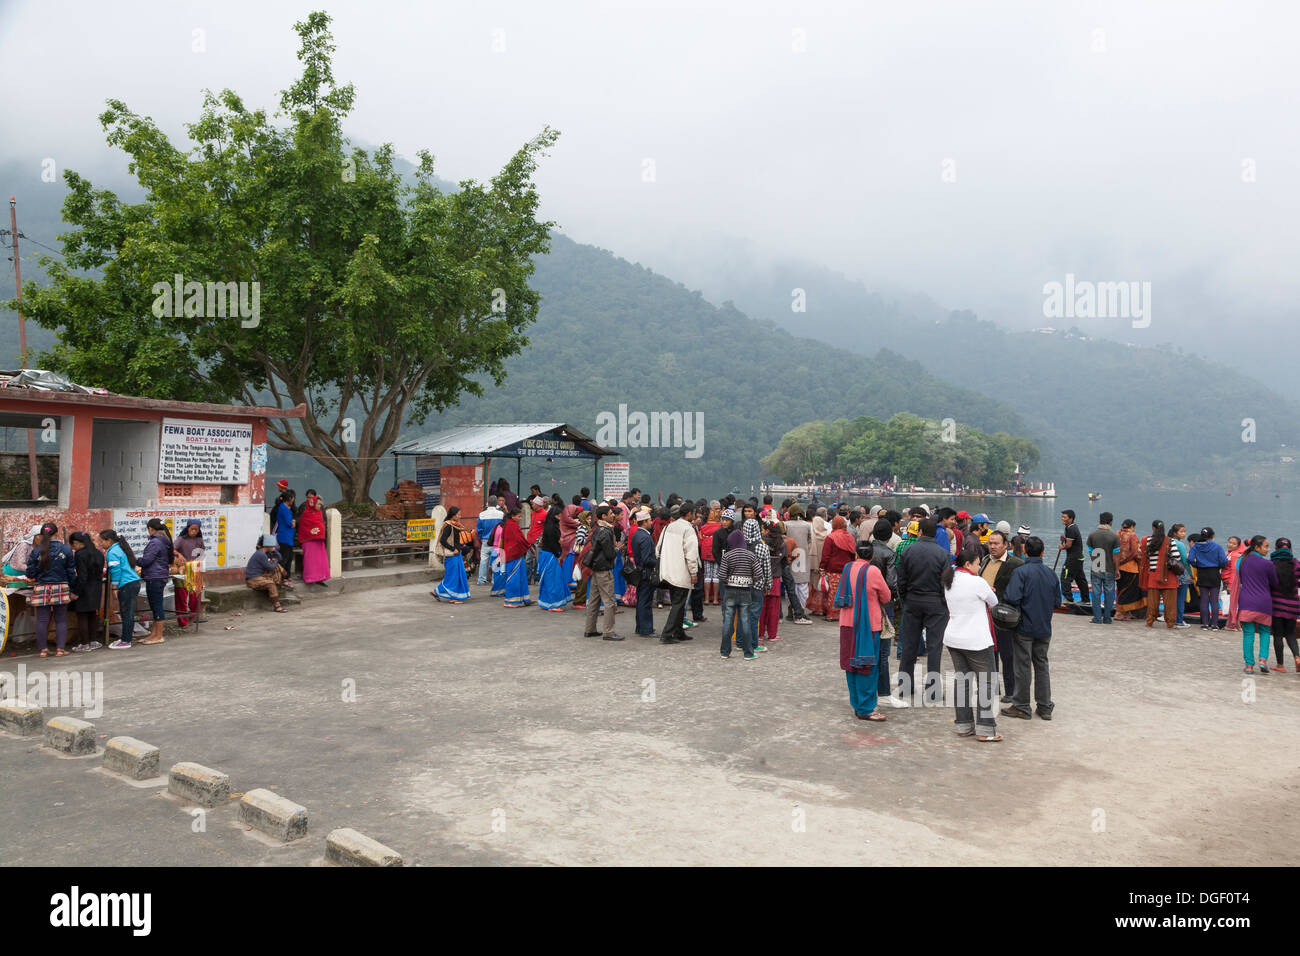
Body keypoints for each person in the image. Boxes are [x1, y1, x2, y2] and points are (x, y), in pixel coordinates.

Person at [944, 543, 1002, 741]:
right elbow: (994, 601)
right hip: (976, 640)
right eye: (978, 564)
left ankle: (964, 725)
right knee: (986, 683)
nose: (979, 568)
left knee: (963, 682)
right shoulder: (977, 582)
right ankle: (986, 730)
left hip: (954, 638)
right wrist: (987, 589)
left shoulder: (949, 581)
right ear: (968, 564)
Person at [1002, 536, 1062, 720]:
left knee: (1022, 666)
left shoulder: (1021, 572)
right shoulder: (1051, 574)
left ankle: (1021, 705)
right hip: (1044, 627)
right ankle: (1044, 706)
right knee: (1042, 665)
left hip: (1024, 627)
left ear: (1025, 551)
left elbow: (1011, 598)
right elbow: (1057, 602)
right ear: (1043, 552)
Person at [834, 539, 892, 722]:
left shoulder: (847, 568)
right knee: (867, 666)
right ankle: (866, 708)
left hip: (847, 624)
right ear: (872, 556)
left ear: (856, 554)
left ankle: (858, 705)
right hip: (868, 626)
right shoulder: (873, 571)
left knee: (851, 665)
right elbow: (886, 596)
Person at [896, 517, 950, 704]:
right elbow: (947, 583)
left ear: (919, 532)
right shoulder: (943, 554)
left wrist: (906, 599)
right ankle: (933, 690)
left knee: (909, 645)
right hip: (936, 602)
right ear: (935, 533)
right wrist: (943, 602)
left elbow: (901, 580)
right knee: (935, 647)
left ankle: (905, 686)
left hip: (913, 600)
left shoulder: (908, 550)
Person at [980, 529, 1024, 703]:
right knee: (989, 654)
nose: (992, 547)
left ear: (1006, 545)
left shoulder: (1016, 564)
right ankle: (993, 688)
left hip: (1005, 616)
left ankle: (1011, 691)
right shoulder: (984, 561)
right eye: (990, 543)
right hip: (984, 616)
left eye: (996, 543)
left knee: (1008, 655)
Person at [25, 522, 77, 658]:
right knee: (60, 620)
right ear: (57, 534)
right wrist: (73, 588)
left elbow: (30, 573)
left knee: (42, 620)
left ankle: (43, 650)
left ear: (42, 535)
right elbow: (71, 572)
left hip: (42, 586)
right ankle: (60, 649)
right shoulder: (66, 550)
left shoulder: (36, 550)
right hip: (61, 586)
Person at [656, 502, 700, 645]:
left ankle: (678, 631)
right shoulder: (688, 530)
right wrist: (693, 573)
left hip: (667, 571)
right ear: (689, 514)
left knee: (678, 603)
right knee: (678, 604)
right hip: (681, 572)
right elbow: (691, 554)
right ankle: (667, 633)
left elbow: (658, 549)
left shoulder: (669, 526)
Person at [718, 524, 762, 660]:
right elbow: (759, 574)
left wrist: (729, 581)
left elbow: (721, 575)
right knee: (745, 621)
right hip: (745, 592)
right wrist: (750, 580)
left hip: (730, 591)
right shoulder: (751, 555)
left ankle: (725, 652)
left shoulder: (727, 556)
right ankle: (748, 653)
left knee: (728, 621)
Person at [1237, 535, 1277, 674]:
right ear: (1257, 547)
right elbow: (1274, 583)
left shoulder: (1242, 562)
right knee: (1265, 632)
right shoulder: (1268, 564)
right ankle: (1262, 660)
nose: (1268, 549)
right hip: (1264, 603)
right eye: (1266, 546)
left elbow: (1241, 579)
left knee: (1248, 634)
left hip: (1246, 602)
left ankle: (1249, 666)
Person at [582, 505, 621, 640]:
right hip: (604, 570)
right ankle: (608, 632)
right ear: (604, 516)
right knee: (609, 601)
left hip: (596, 569)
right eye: (610, 513)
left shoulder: (597, 529)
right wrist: (617, 549)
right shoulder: (606, 531)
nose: (613, 515)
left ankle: (590, 629)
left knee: (594, 601)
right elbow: (609, 554)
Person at [98, 529, 141, 648]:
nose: (101, 544)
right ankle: (125, 638)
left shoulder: (113, 552)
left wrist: (114, 588)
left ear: (109, 540)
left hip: (126, 584)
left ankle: (126, 641)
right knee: (128, 613)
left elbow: (115, 571)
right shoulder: (120, 548)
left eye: (102, 541)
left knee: (127, 614)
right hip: (133, 582)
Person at [136, 518, 174, 645]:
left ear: (151, 529)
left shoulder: (155, 542)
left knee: (157, 606)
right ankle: (153, 634)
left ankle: (159, 635)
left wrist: (134, 560)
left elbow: (146, 561)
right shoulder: (162, 541)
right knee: (154, 606)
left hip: (155, 577)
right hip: (157, 576)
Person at [813, 516, 856, 621]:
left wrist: (822, 568)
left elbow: (826, 555)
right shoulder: (850, 537)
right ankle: (844, 614)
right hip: (846, 570)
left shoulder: (831, 537)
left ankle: (831, 614)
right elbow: (853, 555)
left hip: (832, 570)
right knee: (844, 592)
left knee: (832, 593)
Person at [68, 532, 105, 652]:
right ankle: (93, 641)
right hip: (96, 587)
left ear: (77, 543)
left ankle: (84, 644)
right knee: (92, 614)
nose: (73, 548)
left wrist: (76, 592)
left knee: (82, 615)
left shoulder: (80, 554)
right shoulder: (98, 553)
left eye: (73, 545)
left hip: (84, 588)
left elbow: (82, 576)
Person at [1267, 537, 1300, 672]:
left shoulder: (1271, 565)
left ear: (1275, 549)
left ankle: (1280, 665)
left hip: (1276, 606)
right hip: (1293, 606)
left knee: (1278, 635)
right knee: (1290, 634)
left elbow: (1268, 584)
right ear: (1291, 549)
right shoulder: (1296, 564)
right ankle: (1297, 657)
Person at [1140, 520, 1180, 630]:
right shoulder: (1171, 541)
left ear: (1153, 528)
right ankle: (1170, 624)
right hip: (1168, 576)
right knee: (1170, 604)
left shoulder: (1148, 541)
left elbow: (1145, 557)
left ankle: (1149, 622)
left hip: (1153, 576)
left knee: (1152, 603)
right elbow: (1177, 558)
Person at [1189, 527, 1228, 630]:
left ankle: (1205, 624)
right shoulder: (1217, 547)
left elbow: (1190, 559)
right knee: (1214, 600)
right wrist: (1219, 566)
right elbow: (1224, 561)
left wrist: (1197, 564)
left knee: (1204, 599)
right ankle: (1215, 624)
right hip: (1214, 572)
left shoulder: (1195, 547)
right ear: (1212, 536)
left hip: (1202, 573)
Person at [1086, 512, 1120, 625]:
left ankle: (1097, 617)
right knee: (1109, 593)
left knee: (1096, 593)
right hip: (1110, 568)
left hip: (1096, 566)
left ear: (1100, 521)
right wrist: (1117, 570)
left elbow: (1091, 553)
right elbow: (1116, 555)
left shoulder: (1092, 535)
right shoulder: (1114, 537)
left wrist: (1096, 562)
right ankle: (1107, 618)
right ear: (1110, 522)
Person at [432, 506, 472, 604]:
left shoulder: (455, 525)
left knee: (455, 576)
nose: (460, 516)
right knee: (453, 577)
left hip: (457, 554)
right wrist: (453, 549)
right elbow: (442, 540)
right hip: (452, 555)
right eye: (458, 514)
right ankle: (453, 597)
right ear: (453, 515)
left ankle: (436, 591)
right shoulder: (448, 525)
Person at [535, 503, 569, 612]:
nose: (560, 517)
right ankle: (553, 604)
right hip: (551, 555)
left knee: (547, 580)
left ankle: (545, 602)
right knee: (553, 580)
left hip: (547, 554)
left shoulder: (550, 525)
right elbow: (552, 543)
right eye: (558, 515)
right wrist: (558, 555)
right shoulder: (551, 527)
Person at [628, 508, 657, 636]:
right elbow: (646, 559)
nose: (651, 522)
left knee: (641, 600)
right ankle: (646, 629)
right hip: (646, 573)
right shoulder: (645, 537)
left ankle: (640, 627)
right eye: (650, 520)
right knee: (645, 601)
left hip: (640, 572)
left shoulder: (636, 535)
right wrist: (657, 562)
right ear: (644, 522)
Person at [499, 506, 533, 608]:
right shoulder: (512, 526)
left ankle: (524, 598)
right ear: (513, 516)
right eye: (519, 516)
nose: (520, 518)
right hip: (513, 555)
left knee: (521, 577)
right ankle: (511, 600)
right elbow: (520, 540)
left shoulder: (509, 525)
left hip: (514, 554)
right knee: (513, 577)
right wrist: (529, 547)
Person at [174, 519, 206, 627]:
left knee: (195, 597)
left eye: (196, 529)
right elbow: (172, 549)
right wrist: (179, 555)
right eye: (192, 528)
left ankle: (192, 618)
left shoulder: (199, 540)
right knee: (181, 597)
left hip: (195, 570)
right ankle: (182, 622)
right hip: (182, 570)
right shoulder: (181, 539)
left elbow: (202, 552)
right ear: (187, 528)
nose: (193, 531)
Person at [245, 533, 289, 611]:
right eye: (273, 546)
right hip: (253, 579)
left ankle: (282, 580)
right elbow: (271, 567)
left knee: (277, 566)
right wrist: (275, 560)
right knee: (271, 584)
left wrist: (274, 552)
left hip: (260, 576)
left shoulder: (265, 553)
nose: (274, 547)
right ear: (267, 545)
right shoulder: (261, 554)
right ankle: (277, 606)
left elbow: (280, 557)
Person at [785, 505, 813, 623]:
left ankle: (790, 610)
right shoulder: (807, 525)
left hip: (790, 556)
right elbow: (810, 540)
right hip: (803, 557)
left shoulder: (785, 524)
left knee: (790, 586)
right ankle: (801, 610)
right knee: (802, 586)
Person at [296, 490, 330, 588]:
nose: (320, 506)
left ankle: (320, 578)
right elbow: (304, 527)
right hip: (309, 541)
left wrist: (320, 533)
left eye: (320, 504)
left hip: (319, 541)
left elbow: (322, 524)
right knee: (310, 561)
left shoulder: (319, 513)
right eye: (318, 504)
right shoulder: (306, 514)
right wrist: (314, 532)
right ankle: (310, 578)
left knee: (320, 560)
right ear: (313, 504)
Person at [1114, 519, 1146, 621]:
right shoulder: (1132, 536)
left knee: (1120, 589)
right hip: (1130, 568)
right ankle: (1119, 613)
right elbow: (1136, 552)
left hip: (1117, 567)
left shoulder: (1116, 534)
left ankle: (1126, 613)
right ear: (1132, 526)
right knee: (1128, 591)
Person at [1058, 509, 1089, 603]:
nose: (1062, 519)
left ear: (1071, 519)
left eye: (1065, 517)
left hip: (1073, 558)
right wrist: (1065, 539)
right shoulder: (1070, 527)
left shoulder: (1071, 528)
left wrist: (1062, 547)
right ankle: (1086, 600)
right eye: (1062, 516)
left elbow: (1069, 545)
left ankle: (1068, 599)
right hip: (1079, 557)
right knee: (1080, 579)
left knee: (1065, 577)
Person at [475, 496, 504, 586]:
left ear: (488, 503)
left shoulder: (482, 514)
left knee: (483, 561)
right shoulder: (501, 514)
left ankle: (481, 580)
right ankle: (495, 581)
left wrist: (481, 537)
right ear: (496, 503)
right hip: (497, 541)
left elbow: (478, 529)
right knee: (496, 560)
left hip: (485, 540)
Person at [271, 488, 297, 581]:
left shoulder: (283, 507)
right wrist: (293, 522)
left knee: (289, 557)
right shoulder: (284, 508)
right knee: (284, 558)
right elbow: (289, 523)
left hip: (287, 536)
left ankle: (286, 576)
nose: (293, 500)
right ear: (289, 498)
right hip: (285, 536)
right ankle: (280, 577)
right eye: (293, 498)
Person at [1169, 523, 1192, 628]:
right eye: (1181, 531)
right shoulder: (1180, 545)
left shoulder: (1167, 541)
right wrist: (1190, 573)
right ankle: (1179, 620)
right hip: (1181, 573)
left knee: (1171, 597)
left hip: (1170, 573)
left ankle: (1170, 618)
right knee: (1180, 598)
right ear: (1175, 533)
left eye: (1184, 531)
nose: (1184, 533)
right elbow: (1184, 560)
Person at [1224, 536, 1247, 630]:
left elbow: (1234, 571)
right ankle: (1237, 625)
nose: (1230, 545)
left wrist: (1230, 585)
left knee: (1231, 604)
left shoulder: (1235, 555)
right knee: (1233, 604)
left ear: (1238, 546)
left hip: (1230, 582)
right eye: (1229, 542)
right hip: (1229, 581)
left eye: (1234, 543)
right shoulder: (1231, 553)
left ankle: (1231, 624)